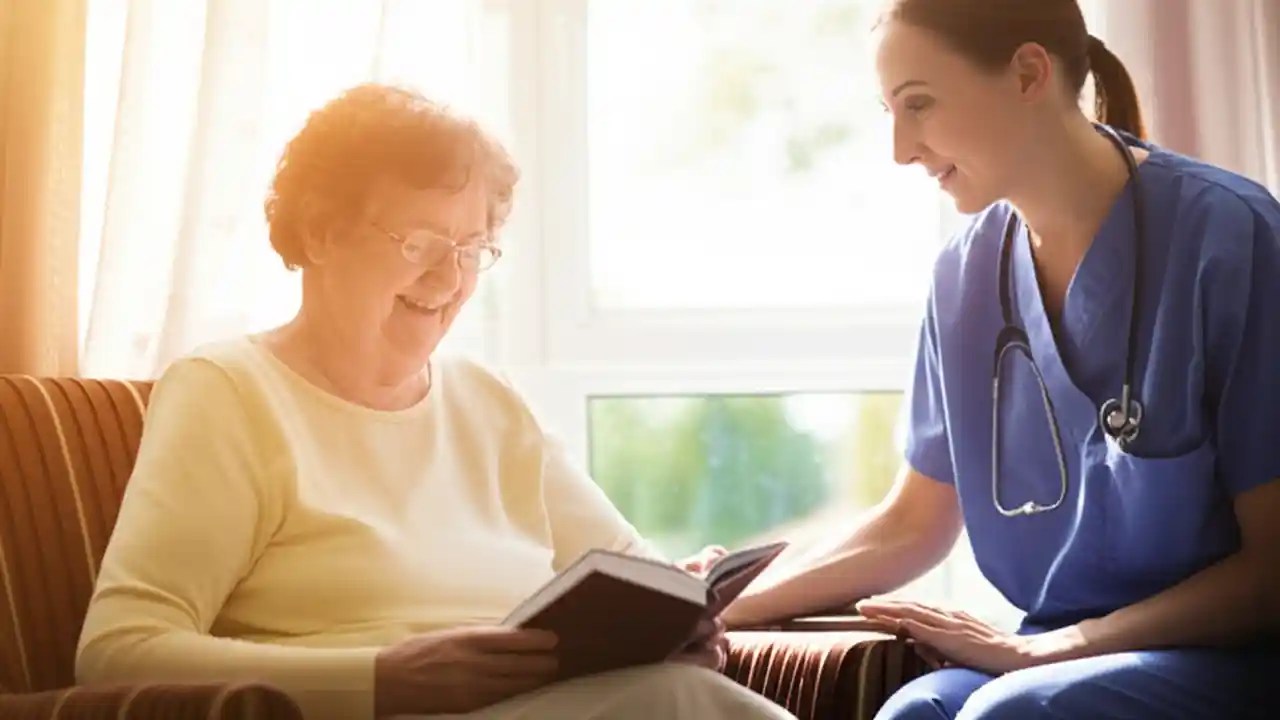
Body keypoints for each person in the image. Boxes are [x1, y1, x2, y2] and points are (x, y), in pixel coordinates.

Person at [75, 83, 794, 720]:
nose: (450, 277)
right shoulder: (229, 391)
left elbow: (630, 570)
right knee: (686, 708)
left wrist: (681, 619)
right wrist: (381, 681)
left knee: (686, 695)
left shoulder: (488, 403)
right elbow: (120, 650)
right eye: (420, 241)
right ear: (322, 231)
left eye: (473, 246)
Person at [724, 1, 1280, 718]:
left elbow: (1273, 570)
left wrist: (1062, 647)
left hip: (1229, 659)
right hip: (1048, 654)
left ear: (1027, 74)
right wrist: (724, 608)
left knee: (1007, 712)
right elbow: (911, 524)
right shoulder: (963, 276)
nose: (900, 148)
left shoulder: (1230, 239)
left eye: (918, 104)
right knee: (915, 713)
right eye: (888, 111)